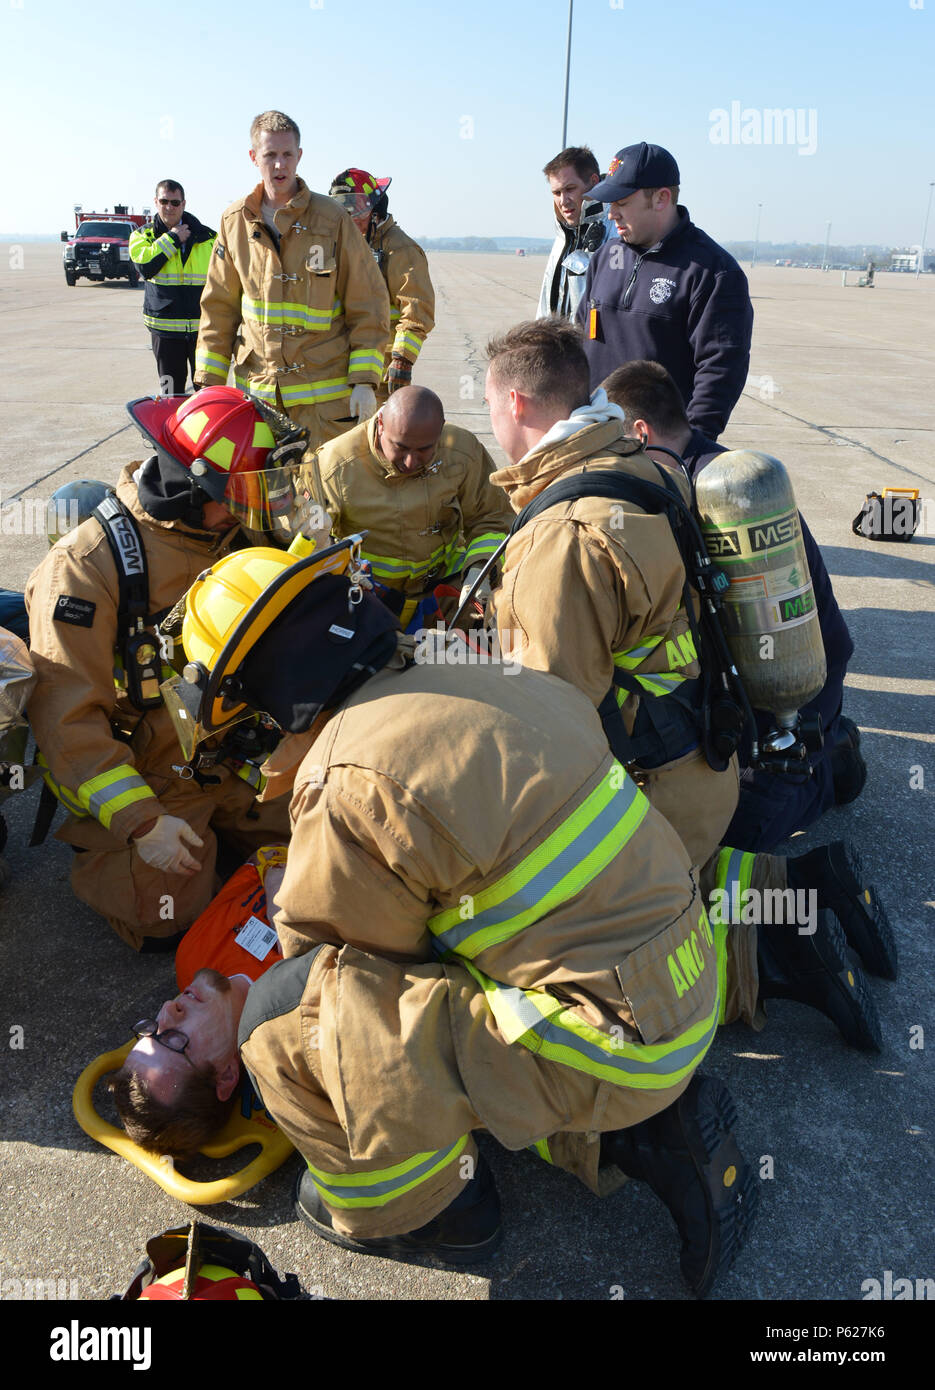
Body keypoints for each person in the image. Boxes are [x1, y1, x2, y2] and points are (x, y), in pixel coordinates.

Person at [108, 540, 887, 1296]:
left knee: (285, 1018)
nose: (169, 1012)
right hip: (687, 972)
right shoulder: (477, 668)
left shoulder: (347, 780)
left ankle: (433, 1212)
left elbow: (345, 988)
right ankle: (635, 1130)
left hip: (619, 1039)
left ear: (254, 695)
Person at [484, 318, 896, 983]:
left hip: (664, 799)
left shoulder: (563, 537)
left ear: (514, 404)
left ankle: (767, 954)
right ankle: (802, 890)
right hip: (710, 762)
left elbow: (555, 733)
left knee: (532, 942)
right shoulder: (650, 473)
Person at [24, 388, 298, 951]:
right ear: (190, 488)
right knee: (166, 917)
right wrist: (143, 823)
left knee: (324, 844)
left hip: (235, 750)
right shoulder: (85, 566)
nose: (257, 510)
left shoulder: (236, 530)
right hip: (149, 768)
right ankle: (106, 845)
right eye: (240, 493)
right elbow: (65, 718)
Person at [601, 359, 867, 852]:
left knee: (731, 834)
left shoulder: (728, 497)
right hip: (750, 687)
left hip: (798, 691)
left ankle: (831, 761)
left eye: (616, 443)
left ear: (640, 432)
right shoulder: (685, 481)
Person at [194, 112, 390, 452]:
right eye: (270, 155)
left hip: (325, 406)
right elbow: (219, 308)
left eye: (287, 154)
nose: (279, 164)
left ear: (299, 156)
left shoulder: (333, 220)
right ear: (254, 157)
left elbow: (369, 303)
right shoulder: (234, 221)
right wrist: (208, 387)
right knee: (263, 498)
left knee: (324, 500)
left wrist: (365, 381)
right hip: (258, 399)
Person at [575, 142, 753, 439]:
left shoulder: (713, 272)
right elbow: (581, 337)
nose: (611, 214)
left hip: (657, 449)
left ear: (661, 198)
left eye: (621, 203)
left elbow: (719, 371)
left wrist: (686, 446)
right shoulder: (606, 257)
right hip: (595, 437)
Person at [304, 385, 512, 630]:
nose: (411, 461)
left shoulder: (462, 450)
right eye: (400, 447)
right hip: (368, 603)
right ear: (380, 423)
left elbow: (493, 517)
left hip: (446, 596)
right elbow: (305, 547)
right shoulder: (333, 467)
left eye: (424, 449)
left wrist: (480, 568)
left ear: (441, 428)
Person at [329, 169, 435, 399]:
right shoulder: (344, 245)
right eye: (342, 210)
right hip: (340, 368)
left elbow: (417, 310)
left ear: (375, 212)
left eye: (356, 211)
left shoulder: (400, 249)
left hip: (381, 371)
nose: (348, 219)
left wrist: (402, 359)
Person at [129, 181, 216, 395]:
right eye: (164, 201)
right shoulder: (142, 237)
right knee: (170, 395)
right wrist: (174, 238)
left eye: (175, 202)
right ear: (156, 202)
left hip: (202, 333)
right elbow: (146, 267)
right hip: (165, 334)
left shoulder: (210, 238)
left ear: (183, 204)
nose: (169, 207)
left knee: (207, 395)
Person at [536, 145, 612, 320]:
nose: (563, 201)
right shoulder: (563, 236)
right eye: (556, 192)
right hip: (558, 345)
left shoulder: (617, 232)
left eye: (570, 189)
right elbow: (545, 305)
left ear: (593, 181)